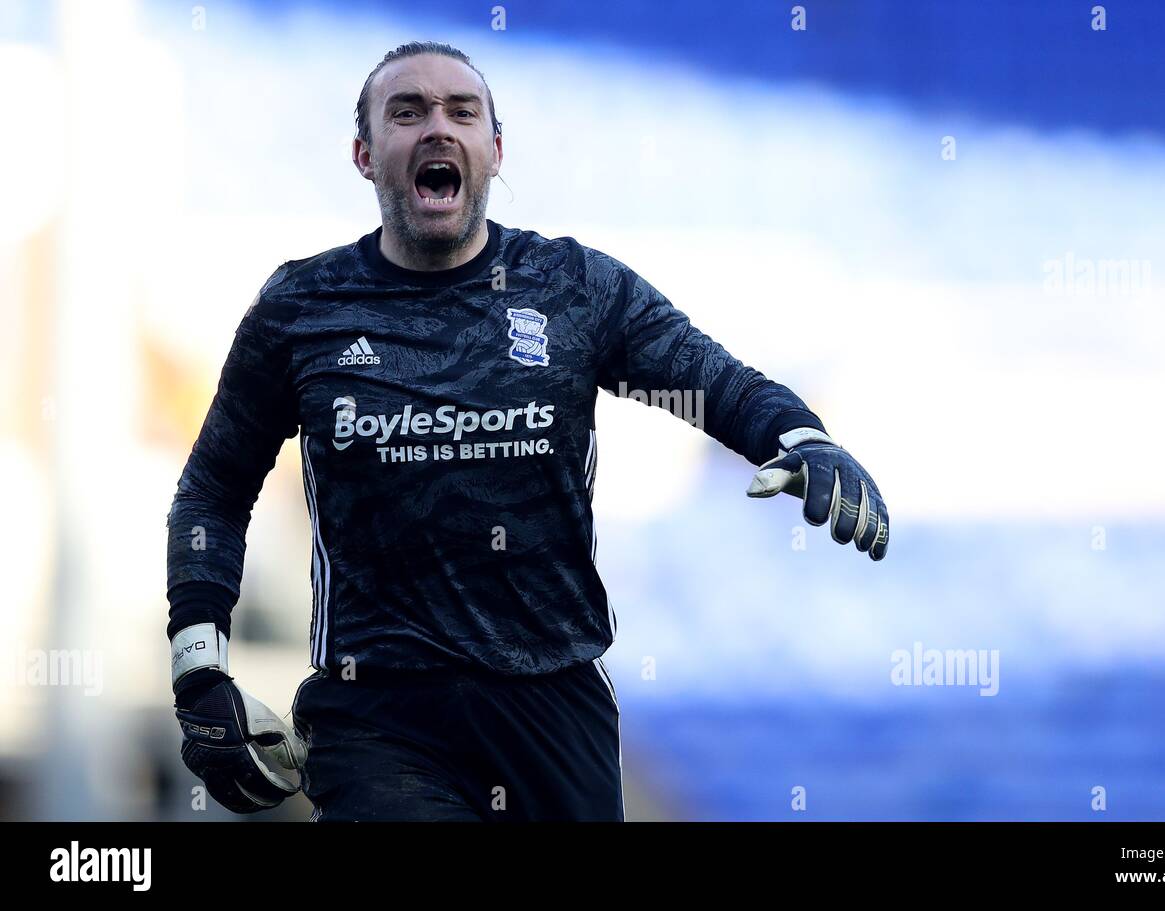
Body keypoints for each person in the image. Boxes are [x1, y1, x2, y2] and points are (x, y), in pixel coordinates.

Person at [165, 41, 889, 822]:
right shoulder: (302, 308)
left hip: (553, 704)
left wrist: (799, 435)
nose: (437, 128)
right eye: (407, 112)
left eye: (461, 111)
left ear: (495, 150)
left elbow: (707, 376)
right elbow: (213, 487)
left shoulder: (573, 288)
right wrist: (198, 669)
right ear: (366, 155)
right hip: (376, 709)